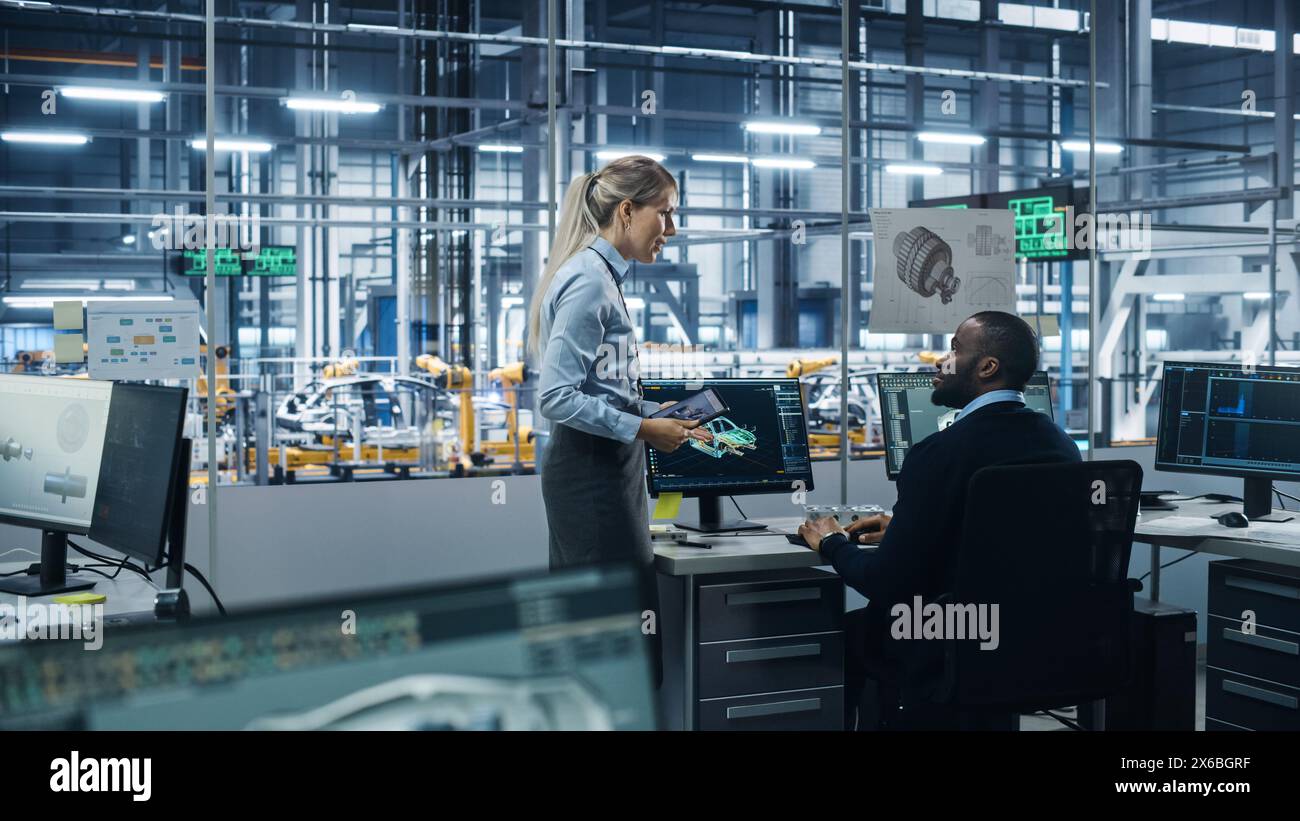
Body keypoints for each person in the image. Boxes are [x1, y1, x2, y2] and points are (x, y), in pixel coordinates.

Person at [797, 311, 1081, 729]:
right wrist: (907, 527)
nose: (940, 361)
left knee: (853, 633)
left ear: (987, 367)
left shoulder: (939, 452)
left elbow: (885, 582)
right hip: (1029, 637)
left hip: (947, 637)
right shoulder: (1060, 445)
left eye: (954, 350)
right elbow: (1005, 536)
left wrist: (833, 543)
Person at [531, 155, 711, 574]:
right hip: (591, 471)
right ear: (627, 210)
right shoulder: (589, 281)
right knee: (617, 618)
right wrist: (644, 428)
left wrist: (651, 411)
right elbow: (556, 398)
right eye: (664, 214)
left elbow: (601, 387)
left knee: (621, 612)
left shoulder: (604, 277)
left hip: (610, 467)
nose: (672, 230)